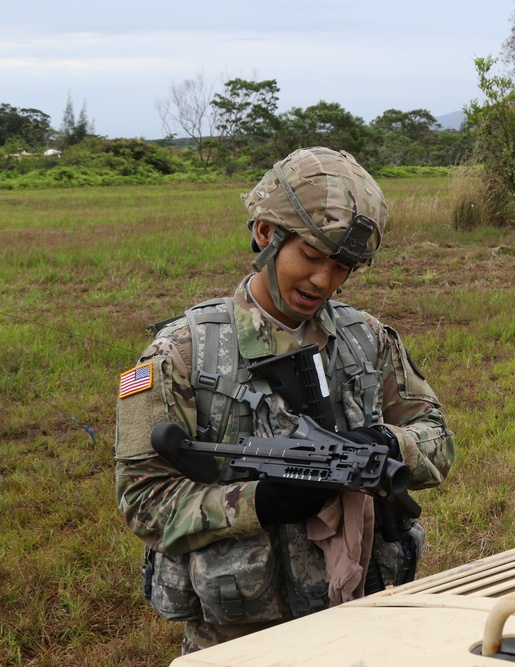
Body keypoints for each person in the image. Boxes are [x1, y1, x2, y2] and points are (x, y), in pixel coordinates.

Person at [114, 147, 455, 654]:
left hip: (365, 614)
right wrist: (258, 502)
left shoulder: (368, 340)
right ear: (266, 234)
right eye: (312, 257)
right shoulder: (182, 354)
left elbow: (438, 439)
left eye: (342, 267)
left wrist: (385, 443)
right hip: (242, 635)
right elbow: (143, 500)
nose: (324, 282)